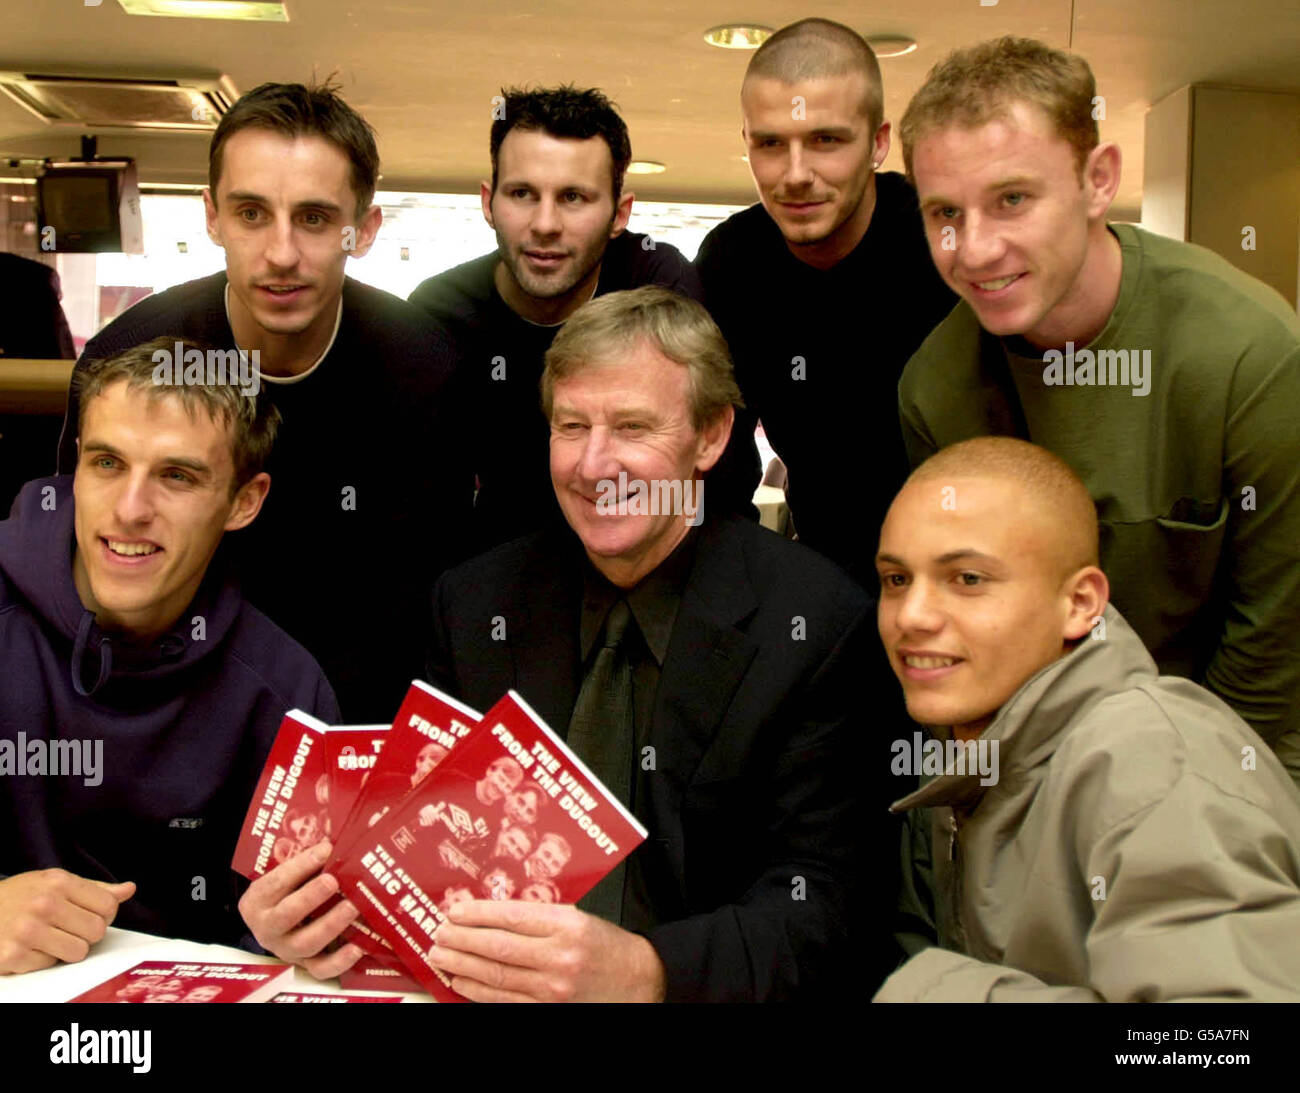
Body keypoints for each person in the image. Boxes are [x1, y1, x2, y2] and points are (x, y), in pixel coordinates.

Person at [895, 37, 1300, 785]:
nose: (975, 248)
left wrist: (1175, 805)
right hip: (1037, 770)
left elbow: (1273, 651)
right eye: (944, 212)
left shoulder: (1249, 356)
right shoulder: (937, 386)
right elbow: (971, 635)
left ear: (1097, 180)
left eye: (1013, 199)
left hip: (1241, 765)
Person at [54, 80, 470, 722]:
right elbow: (82, 563)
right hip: (168, 703)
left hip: (360, 717)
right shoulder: (130, 357)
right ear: (212, 217)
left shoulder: (425, 369)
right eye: (251, 214)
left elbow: (430, 591)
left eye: (314, 218)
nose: (281, 254)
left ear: (362, 230)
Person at [872, 436, 1300, 1001]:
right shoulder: (970, 751)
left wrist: (939, 995)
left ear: (1079, 604)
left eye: (968, 579)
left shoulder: (1151, 760)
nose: (913, 616)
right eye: (896, 580)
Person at [0, 338, 337, 973]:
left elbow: (292, 942)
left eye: (176, 476)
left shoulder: (287, 691)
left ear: (244, 500)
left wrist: (282, 940)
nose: (130, 511)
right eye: (106, 464)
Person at [409, 86, 760, 553]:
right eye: (522, 194)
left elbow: (719, 479)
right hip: (502, 574)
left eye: (573, 197)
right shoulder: (439, 315)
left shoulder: (657, 285)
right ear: (488, 202)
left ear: (620, 214)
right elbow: (427, 506)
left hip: (660, 563)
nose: (545, 223)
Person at [695, 18, 955, 576]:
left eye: (826, 140)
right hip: (823, 585)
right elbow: (718, 461)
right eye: (770, 144)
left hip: (969, 576)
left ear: (879, 143)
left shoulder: (944, 246)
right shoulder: (730, 263)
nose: (795, 175)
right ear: (746, 144)